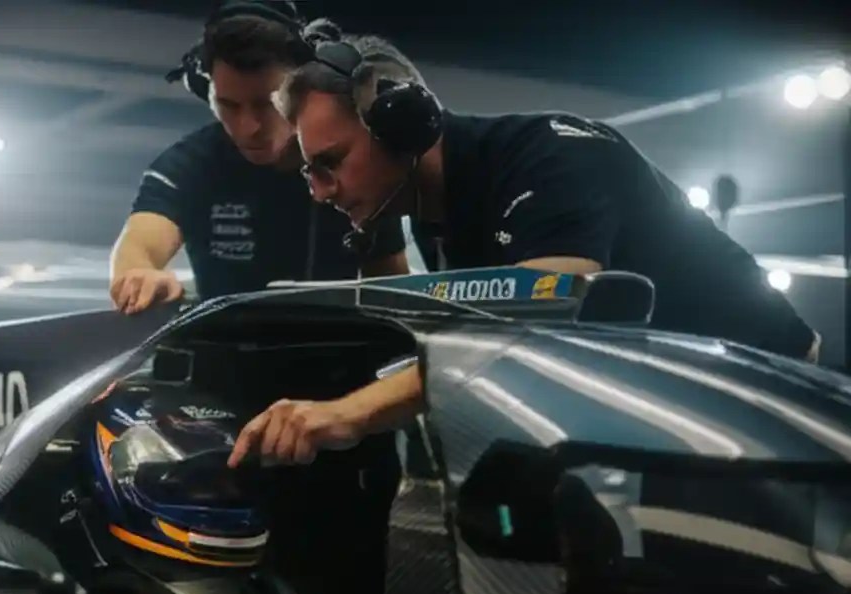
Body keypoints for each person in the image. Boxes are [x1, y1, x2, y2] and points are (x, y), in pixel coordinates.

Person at [226, 32, 822, 468]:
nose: (321, 192)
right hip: (678, 415)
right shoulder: (437, 214)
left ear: (403, 124)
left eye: (329, 164)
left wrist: (346, 415)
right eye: (310, 173)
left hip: (786, 405)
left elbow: (529, 330)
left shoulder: (555, 156)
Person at [108, 1, 409, 315]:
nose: (248, 128)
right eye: (228, 105)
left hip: (336, 359)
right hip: (219, 360)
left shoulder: (351, 165)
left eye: (267, 103)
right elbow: (138, 245)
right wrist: (138, 276)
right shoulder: (191, 165)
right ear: (206, 91)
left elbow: (393, 288)